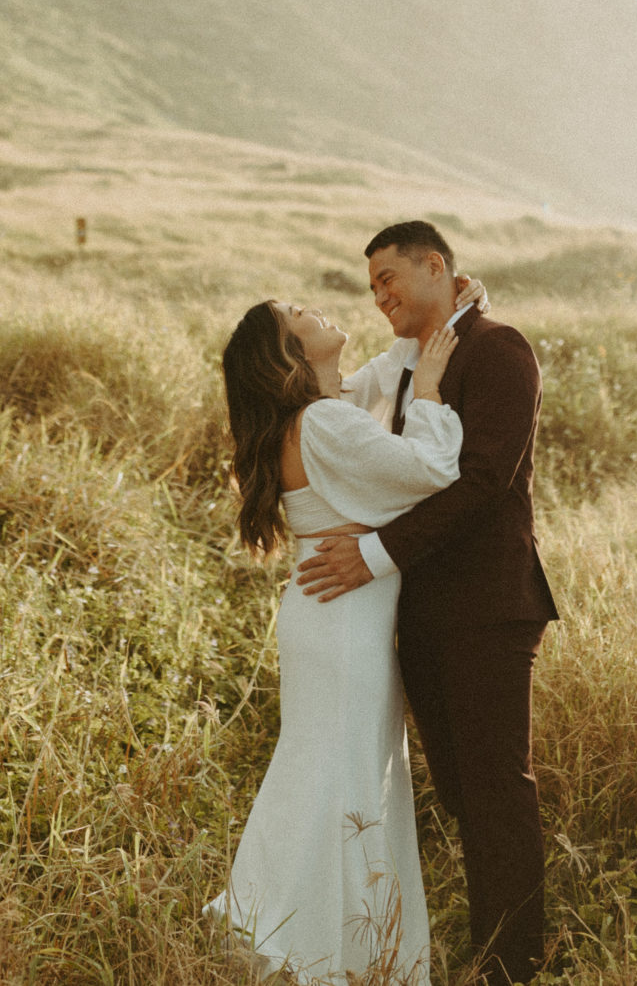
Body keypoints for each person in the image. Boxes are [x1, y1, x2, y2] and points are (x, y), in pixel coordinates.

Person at [296, 221, 559, 986]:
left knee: (495, 788)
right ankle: (491, 941)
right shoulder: (411, 361)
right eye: (371, 284)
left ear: (435, 265)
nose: (378, 295)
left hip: (487, 606)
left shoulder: (500, 349)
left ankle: (515, 965)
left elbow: (482, 482)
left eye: (388, 278)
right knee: (458, 787)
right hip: (421, 610)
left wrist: (374, 555)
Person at [205, 292, 470, 984]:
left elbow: (381, 377)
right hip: (344, 622)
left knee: (323, 767)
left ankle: (298, 932)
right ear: (290, 352)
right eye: (300, 313)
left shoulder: (323, 413)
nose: (317, 308)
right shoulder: (322, 422)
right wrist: (435, 391)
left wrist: (438, 322)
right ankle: (318, 947)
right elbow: (430, 470)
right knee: (346, 774)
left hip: (325, 617)